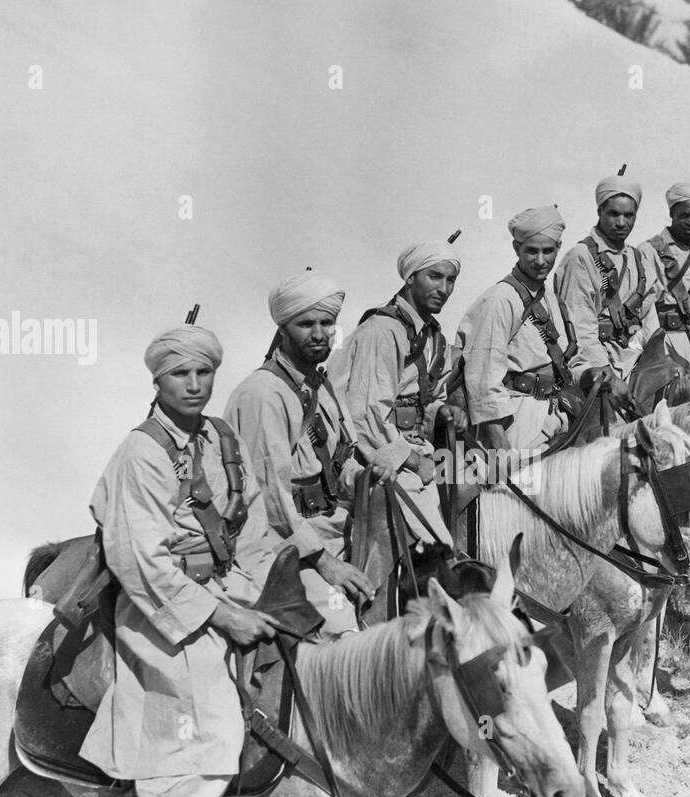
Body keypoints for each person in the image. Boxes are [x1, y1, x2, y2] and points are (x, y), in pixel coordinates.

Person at [80, 325, 287, 797]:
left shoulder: (223, 438)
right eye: (180, 374)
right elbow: (137, 557)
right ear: (157, 380)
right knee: (211, 721)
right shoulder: (141, 452)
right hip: (164, 603)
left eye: (204, 373)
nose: (195, 385)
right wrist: (221, 616)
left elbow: (250, 525)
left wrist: (270, 590)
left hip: (232, 584)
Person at [224, 270, 372, 637]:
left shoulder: (318, 385)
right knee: (343, 639)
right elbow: (269, 497)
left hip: (335, 528)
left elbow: (341, 461)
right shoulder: (264, 395)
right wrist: (325, 563)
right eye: (306, 323)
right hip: (280, 544)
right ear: (283, 329)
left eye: (327, 322)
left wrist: (369, 479)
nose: (319, 333)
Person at [329, 239, 458, 602]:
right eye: (434, 277)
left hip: (412, 449)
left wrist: (442, 412)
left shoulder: (433, 336)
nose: (443, 289)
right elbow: (366, 411)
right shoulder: (384, 330)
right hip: (368, 452)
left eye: (450, 280)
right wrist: (413, 459)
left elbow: (428, 399)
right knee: (403, 545)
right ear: (410, 277)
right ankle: (367, 612)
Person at [457, 205, 572, 451]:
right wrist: (498, 441)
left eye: (548, 251)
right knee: (517, 486)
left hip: (552, 411)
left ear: (558, 249)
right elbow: (482, 372)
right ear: (516, 248)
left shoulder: (549, 297)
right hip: (516, 416)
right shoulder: (501, 299)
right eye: (531, 251)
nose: (540, 261)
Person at [554, 171, 660, 402]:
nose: (621, 223)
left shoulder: (637, 257)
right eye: (613, 214)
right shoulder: (581, 257)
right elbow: (580, 328)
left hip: (635, 360)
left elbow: (649, 313)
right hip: (595, 366)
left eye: (628, 215)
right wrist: (608, 374)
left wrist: (645, 352)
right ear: (600, 211)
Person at [637, 180, 690, 368]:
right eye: (684, 215)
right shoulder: (649, 251)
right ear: (671, 213)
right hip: (662, 346)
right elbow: (643, 307)